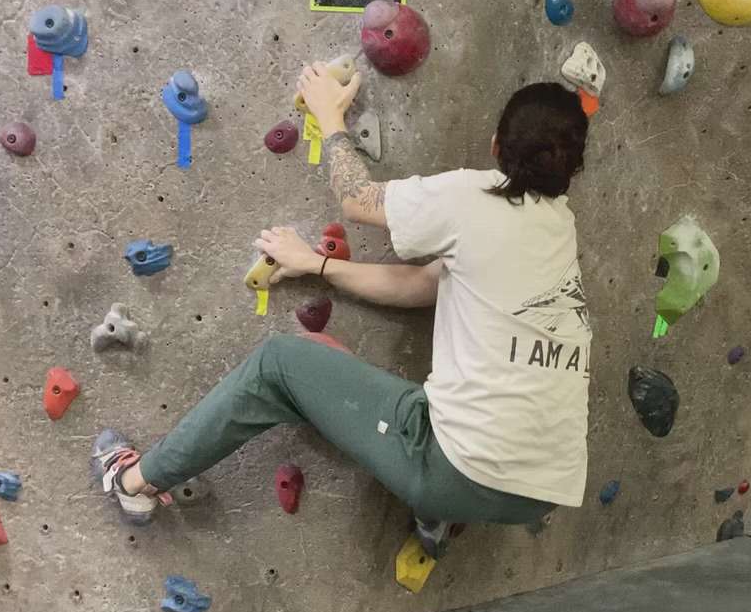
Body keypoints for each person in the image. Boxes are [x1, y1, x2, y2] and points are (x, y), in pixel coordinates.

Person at [91, 63, 592, 557]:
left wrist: (329, 117)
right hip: (543, 492)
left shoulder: (474, 195)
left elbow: (357, 201)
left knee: (278, 365)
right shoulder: (560, 232)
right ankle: (438, 513)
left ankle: (132, 484)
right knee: (435, 403)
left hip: (454, 466)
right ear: (573, 169)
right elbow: (424, 284)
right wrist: (316, 265)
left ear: (495, 147)